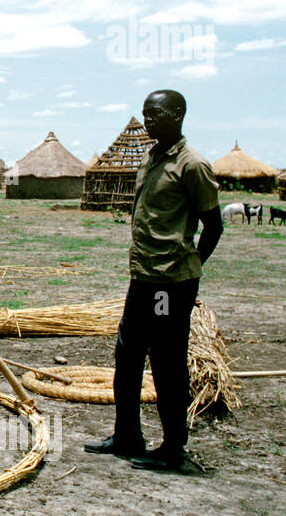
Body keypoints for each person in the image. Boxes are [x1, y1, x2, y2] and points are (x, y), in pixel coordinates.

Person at [84, 89, 222, 471]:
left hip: (167, 285)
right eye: (144, 114)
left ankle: (173, 449)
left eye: (155, 113)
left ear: (177, 114)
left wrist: (187, 266)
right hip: (143, 278)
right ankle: (127, 435)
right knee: (127, 354)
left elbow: (214, 225)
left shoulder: (192, 165)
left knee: (165, 359)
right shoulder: (151, 157)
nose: (148, 121)